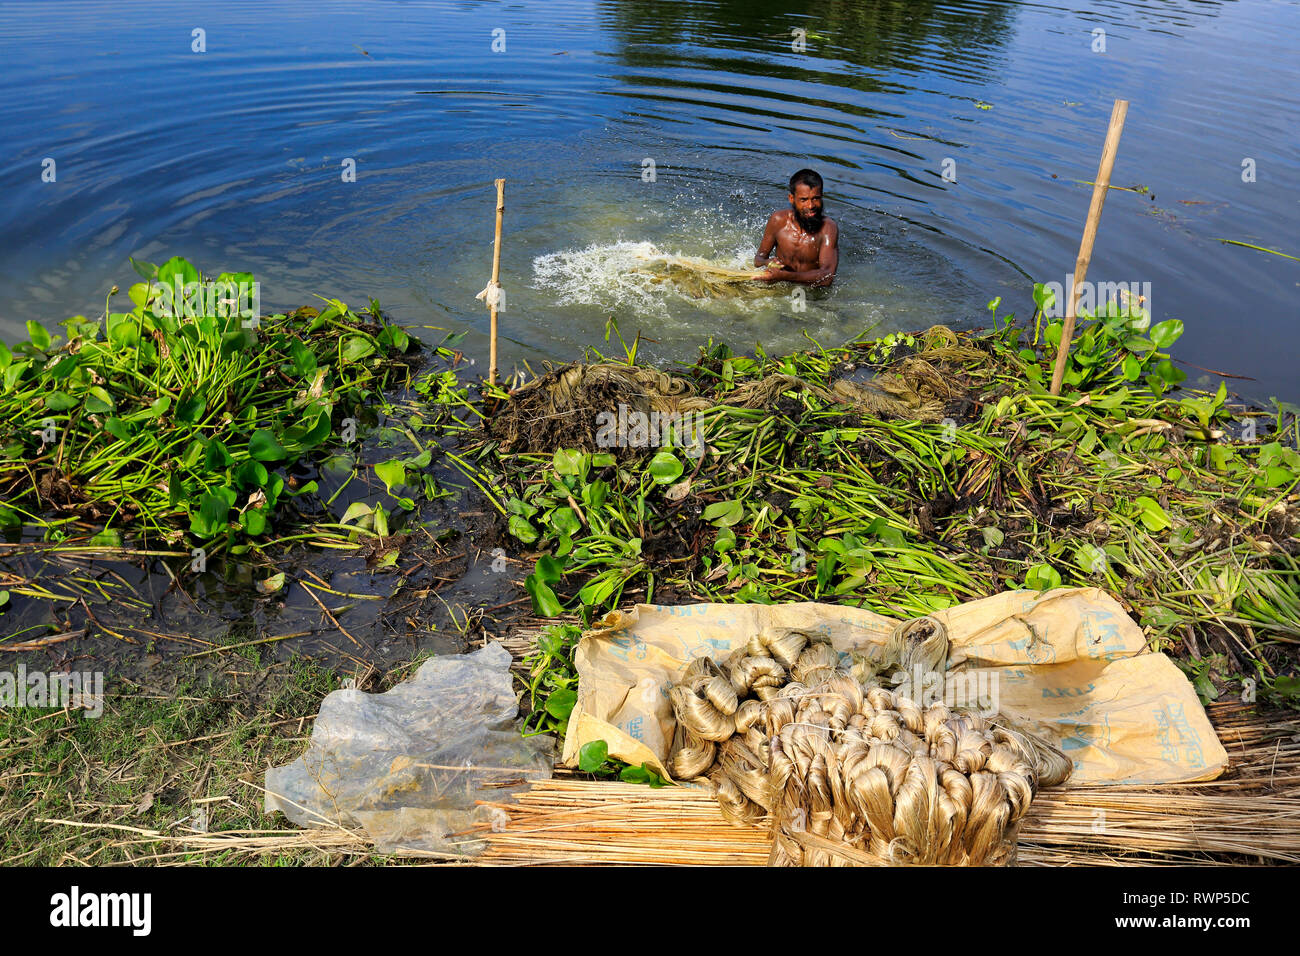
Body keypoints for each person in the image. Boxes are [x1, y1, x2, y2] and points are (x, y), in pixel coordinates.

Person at [753, 169, 838, 287]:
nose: (811, 205)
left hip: (811, 292)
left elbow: (827, 276)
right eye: (804, 200)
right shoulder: (778, 220)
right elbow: (758, 259)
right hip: (778, 285)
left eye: (816, 198)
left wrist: (785, 276)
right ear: (791, 198)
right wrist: (767, 262)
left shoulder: (828, 228)